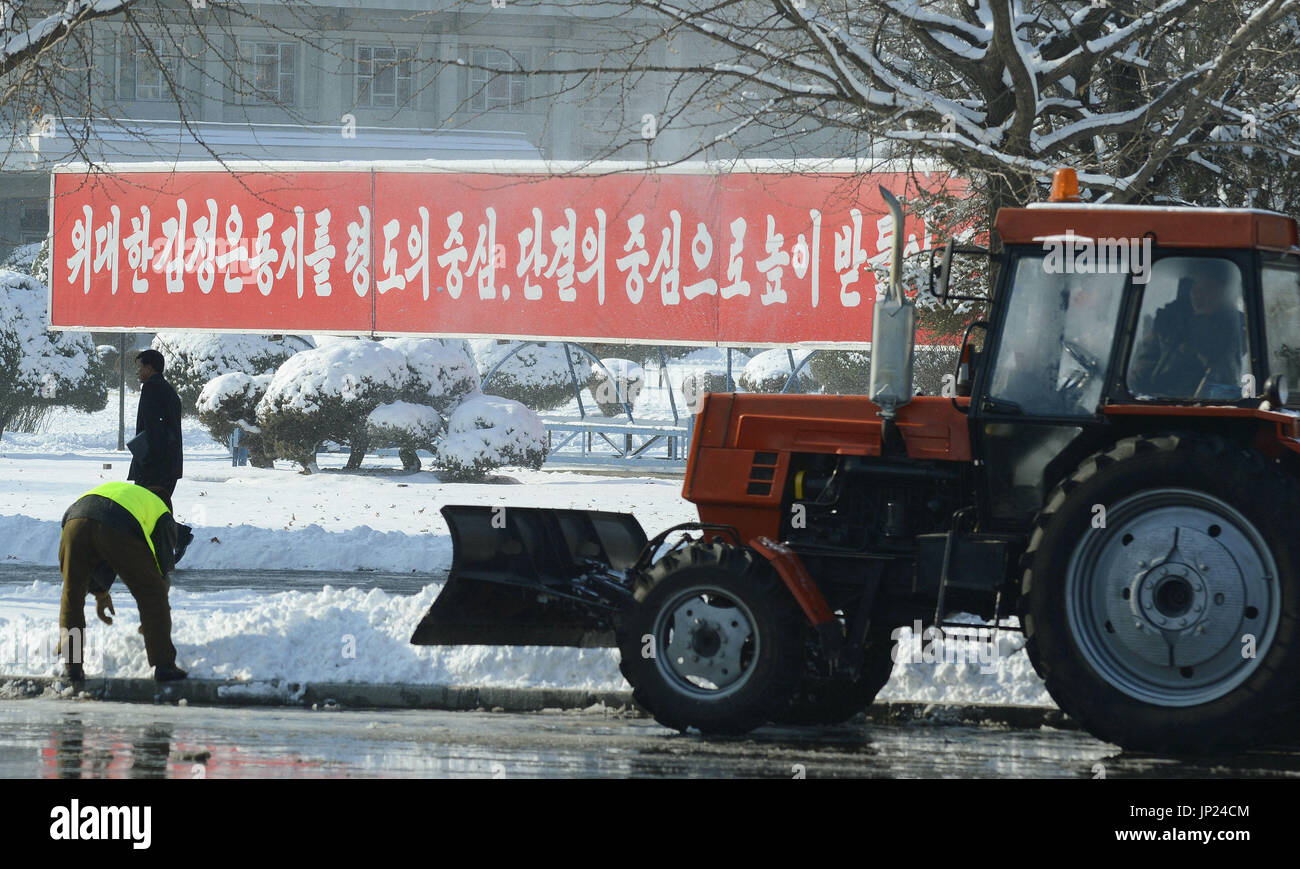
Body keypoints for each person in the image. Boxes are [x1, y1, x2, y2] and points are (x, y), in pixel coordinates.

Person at [57, 481, 186, 683]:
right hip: (114, 523)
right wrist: (153, 620)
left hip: (74, 520)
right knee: (151, 594)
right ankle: (164, 666)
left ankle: (72, 668)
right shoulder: (161, 511)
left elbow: (100, 551)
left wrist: (101, 594)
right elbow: (160, 572)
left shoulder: (127, 494)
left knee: (71, 597)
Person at [1129, 262, 1248, 398]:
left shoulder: (1236, 333)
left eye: (1207, 288)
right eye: (1195, 286)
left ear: (1224, 293)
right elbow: (1140, 372)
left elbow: (1223, 382)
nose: (1197, 294)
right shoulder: (1168, 324)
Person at [128, 349, 194, 562]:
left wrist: (146, 461)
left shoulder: (152, 389)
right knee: (151, 510)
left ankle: (179, 536)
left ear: (149, 368)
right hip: (167, 463)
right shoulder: (167, 389)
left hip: (155, 464)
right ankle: (159, 551)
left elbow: (154, 430)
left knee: (145, 510)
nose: (138, 372)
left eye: (140, 367)